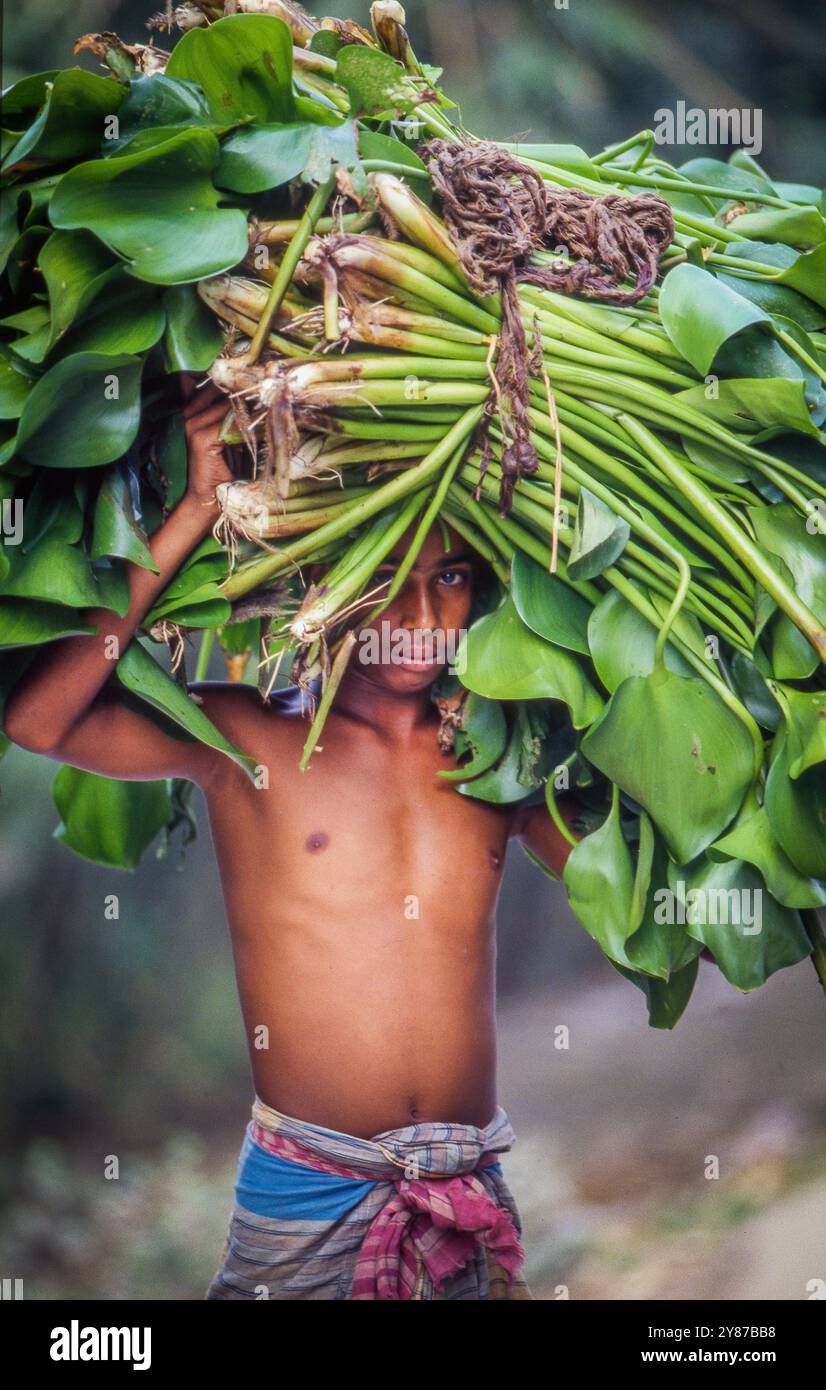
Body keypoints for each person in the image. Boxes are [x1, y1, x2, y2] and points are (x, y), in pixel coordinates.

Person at [4, 374, 581, 1300]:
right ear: (327, 579)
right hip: (307, 1190)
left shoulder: (494, 755)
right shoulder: (246, 741)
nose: (421, 622)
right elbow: (41, 720)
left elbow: (601, 871)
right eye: (390, 582)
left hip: (463, 1187)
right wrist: (198, 508)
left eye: (452, 580)